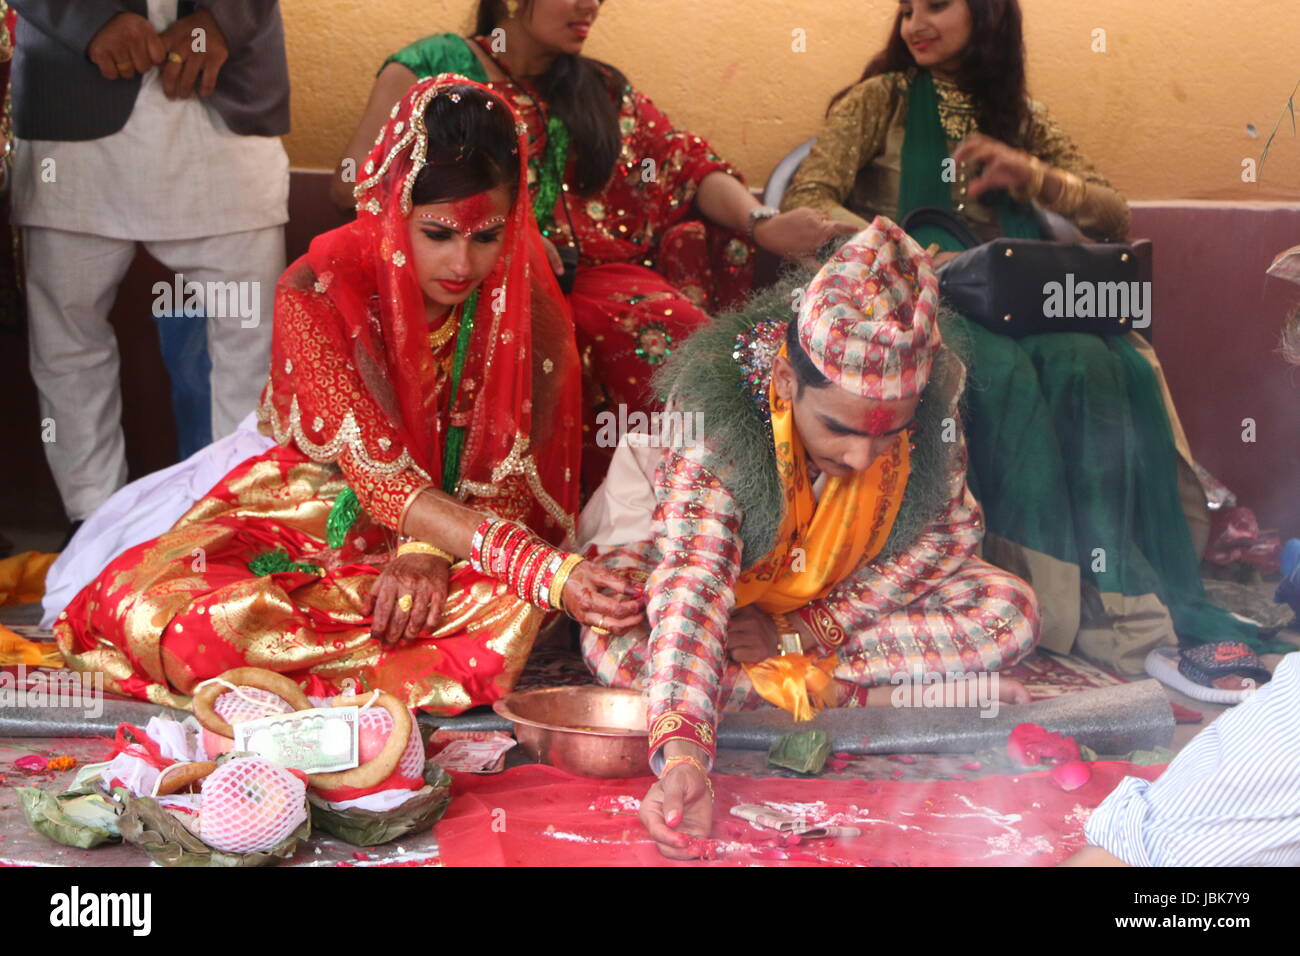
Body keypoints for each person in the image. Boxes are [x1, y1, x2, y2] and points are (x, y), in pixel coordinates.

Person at [54, 77, 643, 714]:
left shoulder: (521, 307)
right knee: (166, 613)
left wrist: (431, 554)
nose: (464, 264)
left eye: (487, 235)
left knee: (516, 608)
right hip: (320, 499)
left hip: (463, 530)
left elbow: (512, 482)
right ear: (393, 205)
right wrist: (549, 572)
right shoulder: (315, 293)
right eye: (439, 233)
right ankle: (391, 671)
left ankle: (336, 672)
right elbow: (381, 481)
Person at [778, 0, 1278, 674]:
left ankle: (1115, 589)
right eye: (903, 11)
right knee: (997, 371)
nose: (913, 25)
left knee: (1095, 363)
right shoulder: (882, 100)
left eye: (935, 7)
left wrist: (1030, 173)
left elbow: (1110, 210)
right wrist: (902, 251)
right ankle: (1044, 595)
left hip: (1006, 295)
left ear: (986, 16)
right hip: (911, 297)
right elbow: (806, 200)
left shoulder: (1019, 119)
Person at [578, 218, 1040, 859]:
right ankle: (871, 698)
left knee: (1009, 613)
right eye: (838, 429)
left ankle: (829, 693)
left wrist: (807, 630)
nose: (859, 457)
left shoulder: (927, 415)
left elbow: (946, 538)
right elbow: (694, 580)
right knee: (616, 642)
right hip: (712, 583)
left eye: (886, 435)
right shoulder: (717, 425)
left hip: (838, 609)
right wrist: (683, 754)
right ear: (787, 381)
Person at [332, 0, 853, 490]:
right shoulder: (431, 67)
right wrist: (502, 230)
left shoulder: (598, 87)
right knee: (572, 340)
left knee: (682, 336)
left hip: (600, 275)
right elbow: (350, 183)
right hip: (480, 276)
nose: (590, 7)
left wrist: (762, 222)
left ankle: (711, 504)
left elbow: (684, 163)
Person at [8, 0, 290, 535]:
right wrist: (86, 19)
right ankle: (92, 526)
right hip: (70, 93)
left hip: (227, 92)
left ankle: (240, 522)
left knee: (253, 331)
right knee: (66, 334)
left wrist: (225, 19)